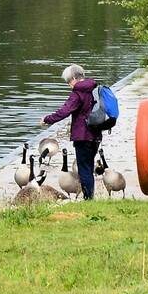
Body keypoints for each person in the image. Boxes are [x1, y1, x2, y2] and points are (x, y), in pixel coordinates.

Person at [41, 63, 101, 200]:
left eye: (69, 81)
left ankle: (88, 199)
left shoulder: (78, 93)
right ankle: (90, 197)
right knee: (89, 166)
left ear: (74, 78)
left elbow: (65, 111)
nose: (69, 85)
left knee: (84, 168)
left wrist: (47, 119)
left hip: (83, 135)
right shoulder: (94, 88)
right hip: (96, 134)